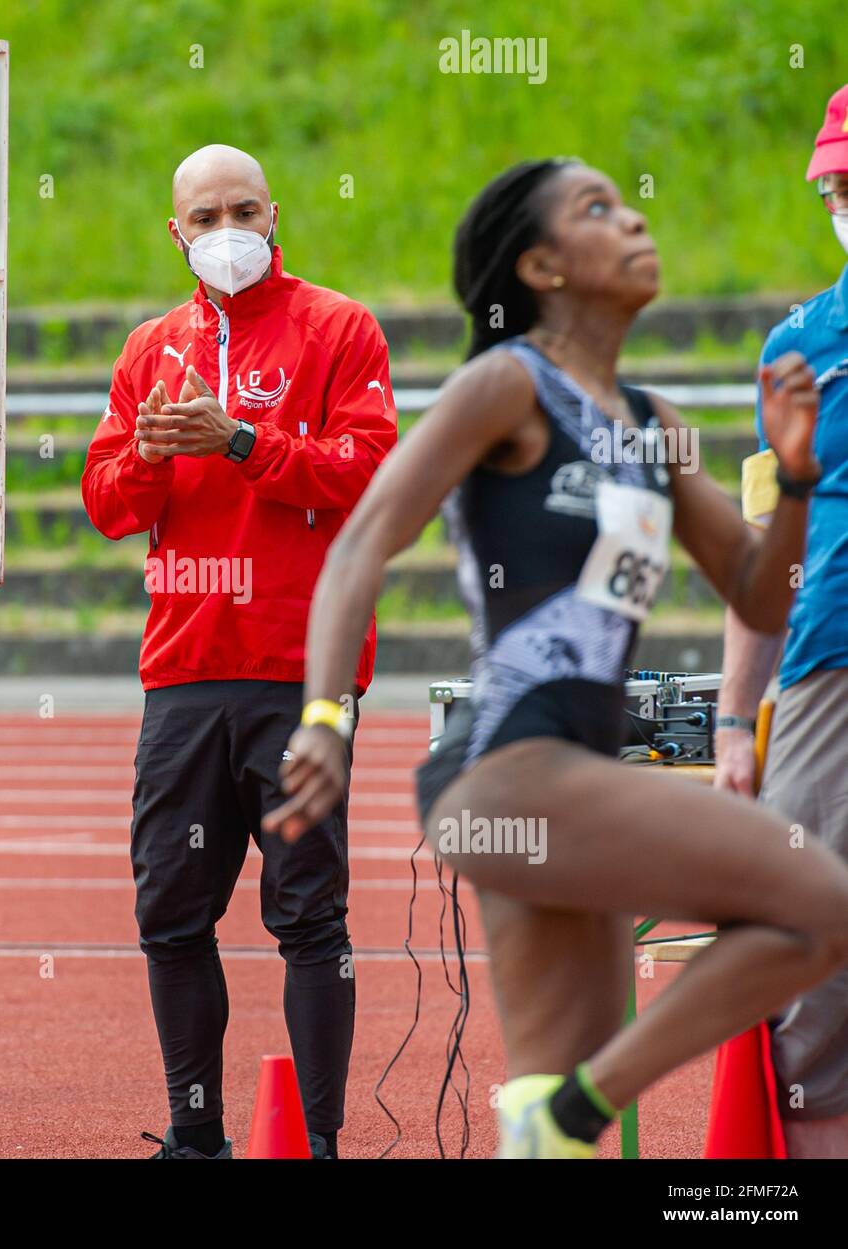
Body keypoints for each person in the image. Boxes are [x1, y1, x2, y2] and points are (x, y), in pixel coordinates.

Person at [264, 157, 848, 1158]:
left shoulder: (655, 428)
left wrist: (796, 481)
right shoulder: (507, 384)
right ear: (540, 265)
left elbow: (758, 594)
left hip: (567, 792)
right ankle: (574, 1105)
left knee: (546, 1141)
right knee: (820, 907)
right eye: (596, 211)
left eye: (627, 204)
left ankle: (559, 1116)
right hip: (507, 775)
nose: (631, 220)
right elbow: (362, 539)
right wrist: (323, 717)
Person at [81, 144, 396, 1158]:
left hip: (305, 665)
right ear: (174, 233)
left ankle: (317, 1139)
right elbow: (104, 505)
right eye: (204, 216)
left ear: (274, 215)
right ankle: (195, 1132)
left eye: (242, 210)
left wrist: (239, 442)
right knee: (170, 914)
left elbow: (367, 475)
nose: (227, 232)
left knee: (309, 914)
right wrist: (149, 456)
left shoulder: (339, 327)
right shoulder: (149, 348)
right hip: (182, 667)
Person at [714, 83, 848, 1158]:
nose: (846, 199)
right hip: (825, 669)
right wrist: (728, 719)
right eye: (838, 186)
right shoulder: (796, 345)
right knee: (808, 955)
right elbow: (766, 545)